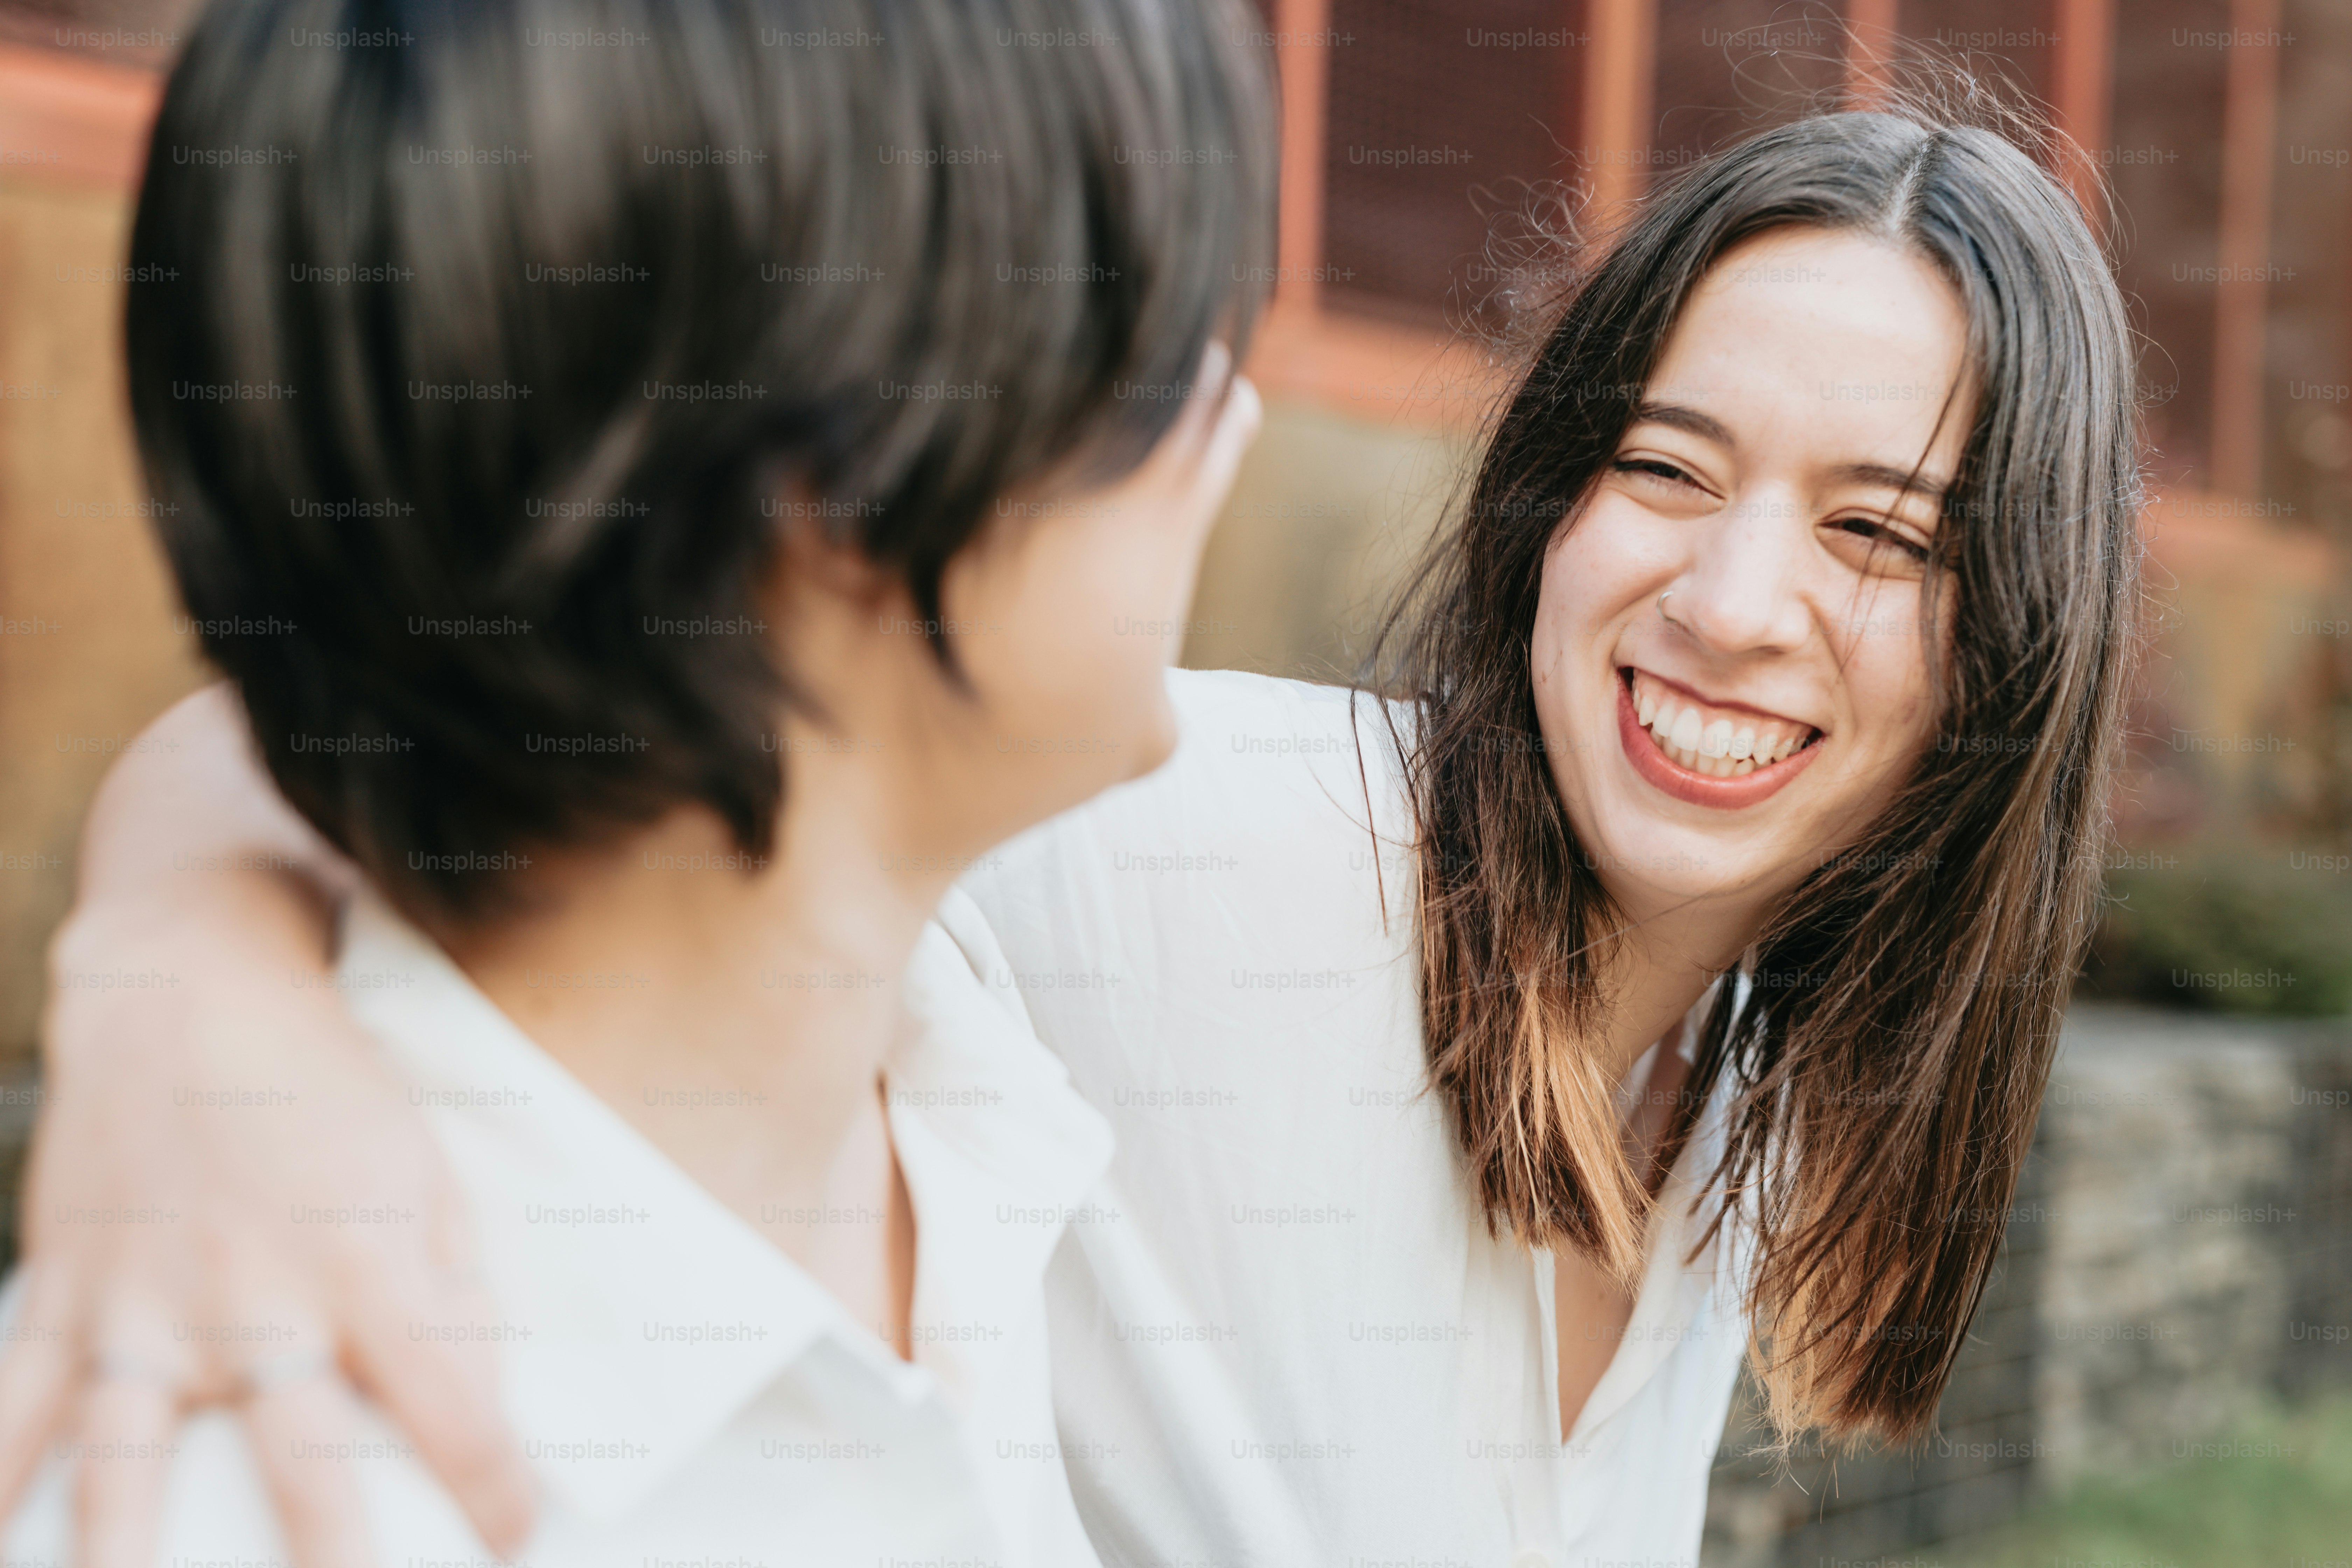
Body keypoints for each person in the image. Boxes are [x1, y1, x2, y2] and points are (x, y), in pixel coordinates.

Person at [4, 97, 2142, 1568]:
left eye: (1882, 532)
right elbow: (390, 715)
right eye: (1669, 471)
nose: (1735, 602)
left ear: (2017, 655)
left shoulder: (1740, 1087)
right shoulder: (1202, 832)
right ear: (1551, 502)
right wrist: (175, 1001)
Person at [0, 0, 1272, 1564]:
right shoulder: (237, 1493)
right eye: (1161, 348)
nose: (1233, 421)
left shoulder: (933, 1104)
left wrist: (174, 944)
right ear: (838, 487)